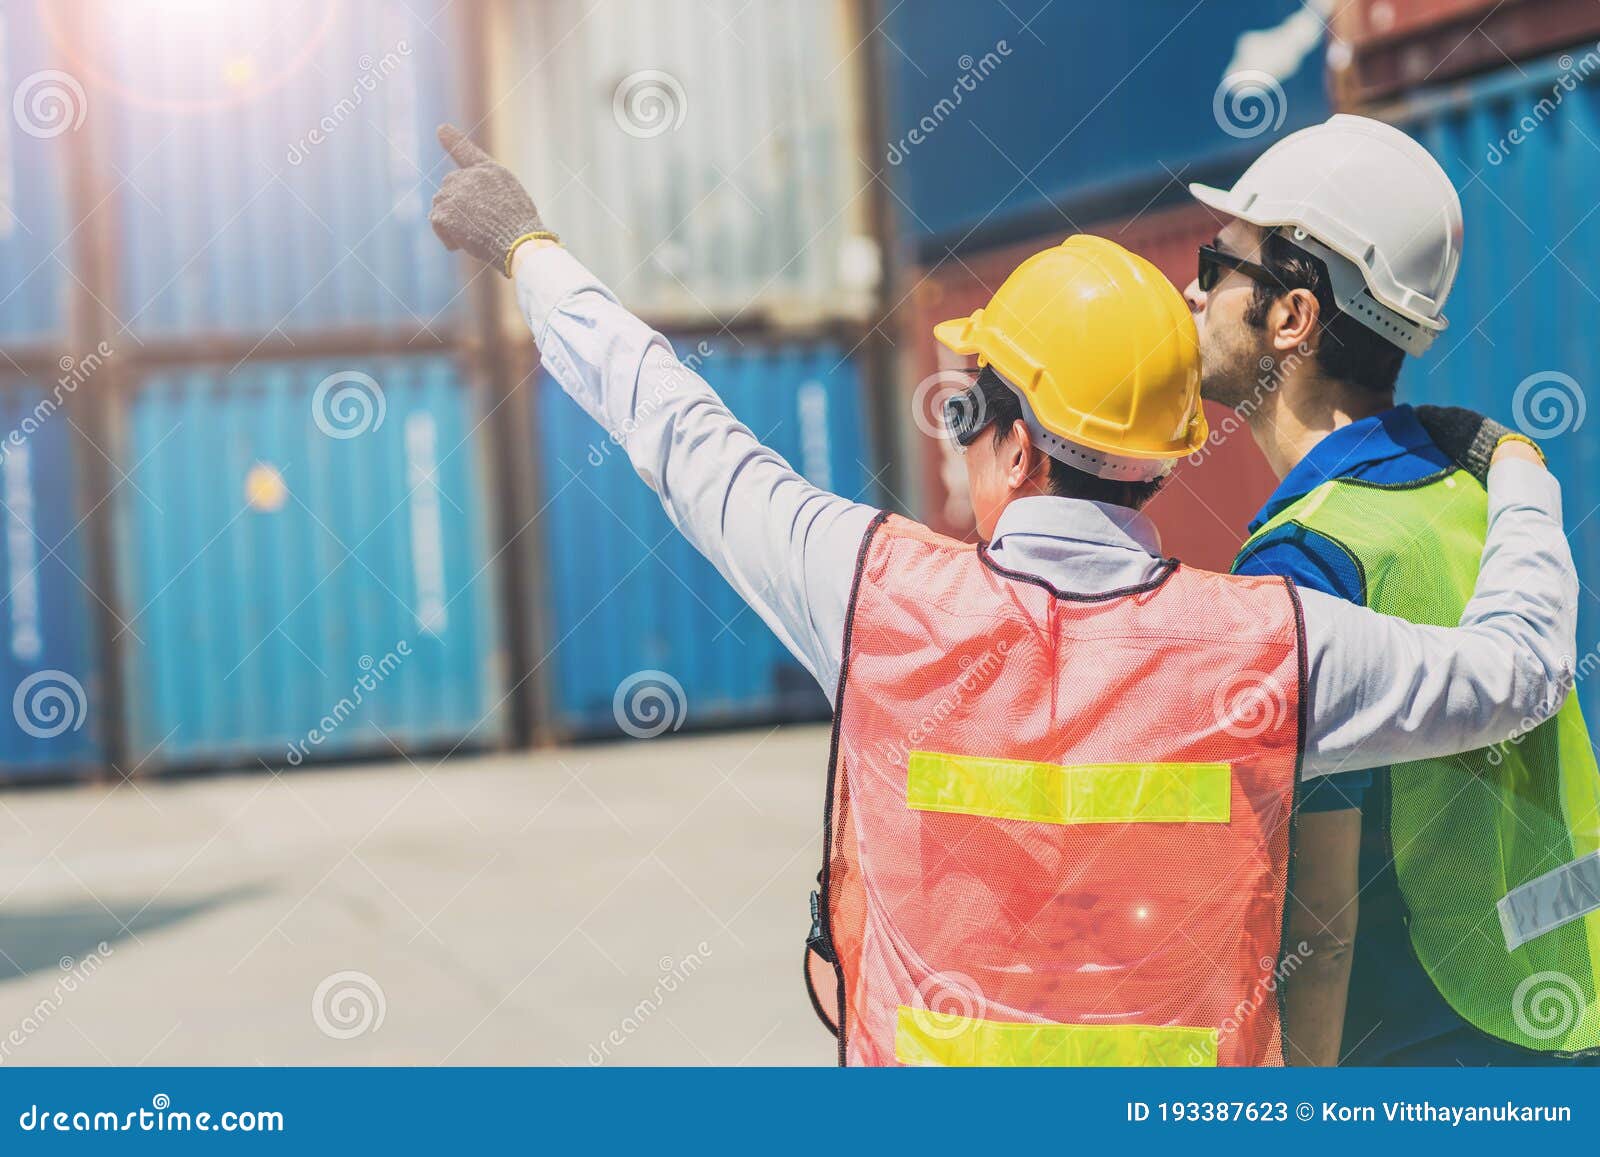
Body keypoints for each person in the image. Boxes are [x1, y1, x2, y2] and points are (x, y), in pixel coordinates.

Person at [429, 123, 1578, 1067]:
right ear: (1168, 453)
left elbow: (674, 428)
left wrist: (528, 246)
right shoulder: (1269, 647)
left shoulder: (872, 596)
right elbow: (1517, 672)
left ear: (1011, 447)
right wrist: (1518, 475)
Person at [1185, 113, 1600, 1066]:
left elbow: (1318, 927)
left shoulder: (1307, 561)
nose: (1192, 289)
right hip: (1563, 1002)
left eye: (1219, 265)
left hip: (1425, 1049)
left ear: (1291, 316)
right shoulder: (1485, 485)